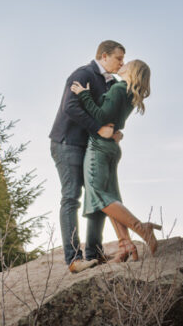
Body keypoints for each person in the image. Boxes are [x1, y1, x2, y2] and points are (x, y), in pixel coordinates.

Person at [71, 58, 159, 261]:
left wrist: (83, 95)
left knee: (100, 198)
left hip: (98, 148)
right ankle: (125, 245)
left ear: (132, 70)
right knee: (110, 197)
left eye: (127, 63)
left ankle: (141, 229)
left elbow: (101, 117)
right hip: (111, 148)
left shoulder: (120, 89)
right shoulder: (129, 93)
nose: (123, 64)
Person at [49, 40, 125, 273]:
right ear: (104, 56)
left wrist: (115, 131)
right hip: (67, 143)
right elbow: (71, 107)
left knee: (96, 197)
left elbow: (103, 112)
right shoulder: (84, 73)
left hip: (90, 147)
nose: (122, 63)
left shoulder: (111, 82)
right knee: (71, 197)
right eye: (118, 58)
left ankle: (94, 254)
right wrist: (98, 128)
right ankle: (74, 259)